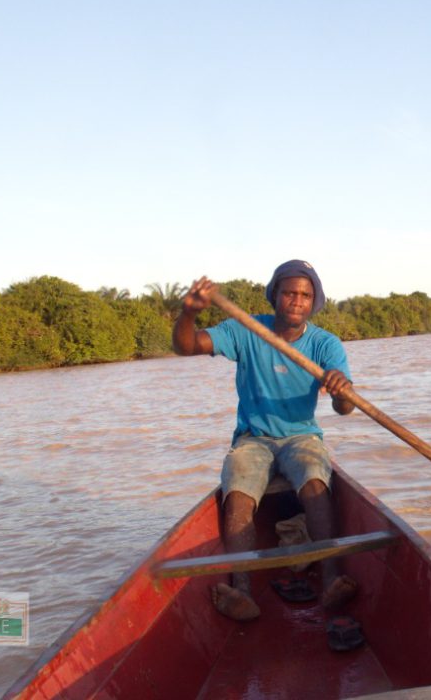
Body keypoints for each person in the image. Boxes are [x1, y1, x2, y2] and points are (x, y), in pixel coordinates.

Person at [173, 260, 358, 621]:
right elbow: (187, 346)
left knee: (316, 483)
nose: (297, 301)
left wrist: (341, 389)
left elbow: (345, 409)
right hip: (253, 437)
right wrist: (188, 314)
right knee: (239, 490)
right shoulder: (247, 329)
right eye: (289, 292)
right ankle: (242, 592)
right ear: (275, 295)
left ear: (314, 302)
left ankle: (332, 579)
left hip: (301, 435)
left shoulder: (325, 344)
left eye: (305, 295)